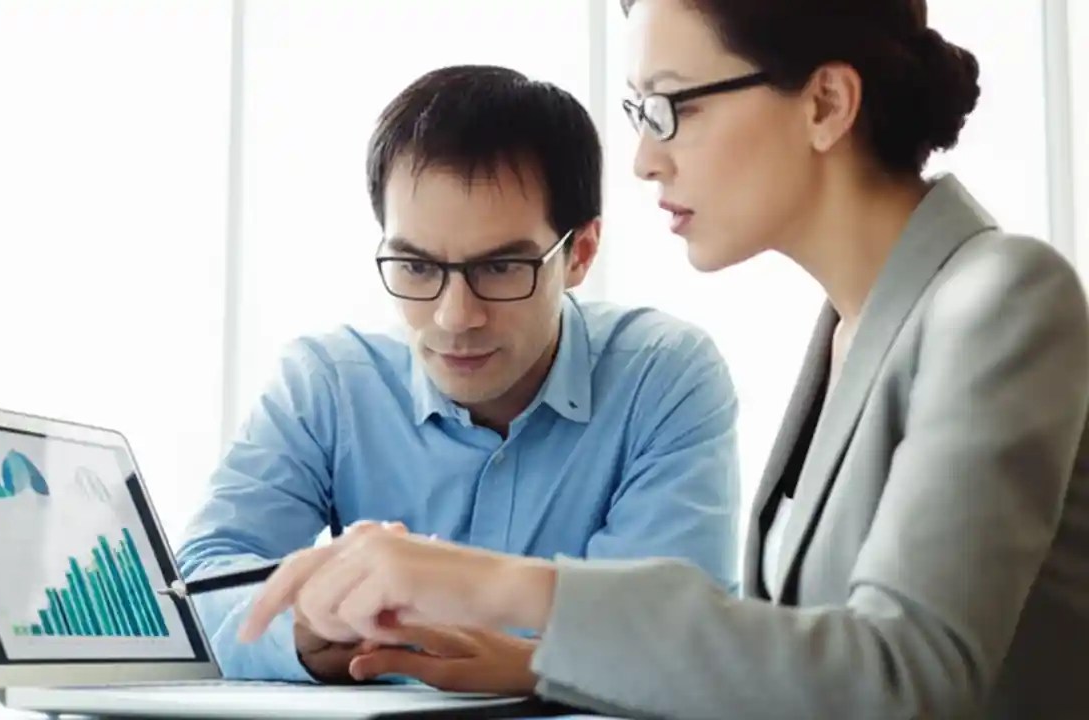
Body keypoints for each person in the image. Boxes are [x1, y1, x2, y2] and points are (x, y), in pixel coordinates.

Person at [237, 0, 1089, 717]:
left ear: (826, 103)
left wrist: (488, 585)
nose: (646, 158)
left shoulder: (1000, 293)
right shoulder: (850, 326)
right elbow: (797, 663)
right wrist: (531, 660)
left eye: (671, 106)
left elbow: (908, 676)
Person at [175, 64, 741, 684]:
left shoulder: (662, 378)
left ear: (579, 253)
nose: (454, 317)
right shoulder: (327, 384)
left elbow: (677, 640)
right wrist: (304, 631)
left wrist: (529, 668)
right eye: (416, 268)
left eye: (500, 269)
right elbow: (195, 586)